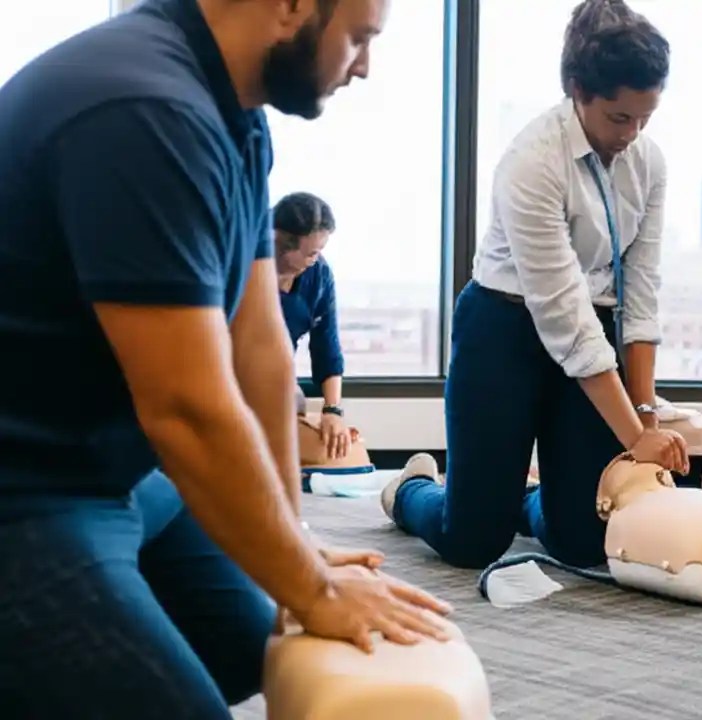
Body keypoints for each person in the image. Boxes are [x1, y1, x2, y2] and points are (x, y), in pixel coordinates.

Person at [0, 1, 452, 717]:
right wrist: (314, 587)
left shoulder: (235, 116)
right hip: (24, 496)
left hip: (108, 469)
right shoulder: (147, 109)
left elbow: (261, 349)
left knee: (250, 645)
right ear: (292, 7)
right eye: (359, 39)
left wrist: (295, 546)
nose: (364, 66)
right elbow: (188, 409)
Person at [380, 0, 689, 570]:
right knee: (472, 542)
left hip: (594, 330)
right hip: (504, 327)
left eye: (646, 117)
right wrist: (634, 437)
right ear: (578, 91)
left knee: (584, 540)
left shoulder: (648, 162)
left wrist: (644, 421)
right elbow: (562, 313)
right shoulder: (532, 160)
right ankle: (408, 492)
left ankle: (518, 499)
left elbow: (639, 295)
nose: (633, 133)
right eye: (620, 118)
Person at [274, 191, 352, 459]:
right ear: (280, 242)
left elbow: (326, 347)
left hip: (277, 379)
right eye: (312, 253)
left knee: (292, 398)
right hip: (228, 372)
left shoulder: (318, 275)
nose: (315, 259)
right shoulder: (242, 268)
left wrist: (332, 411)